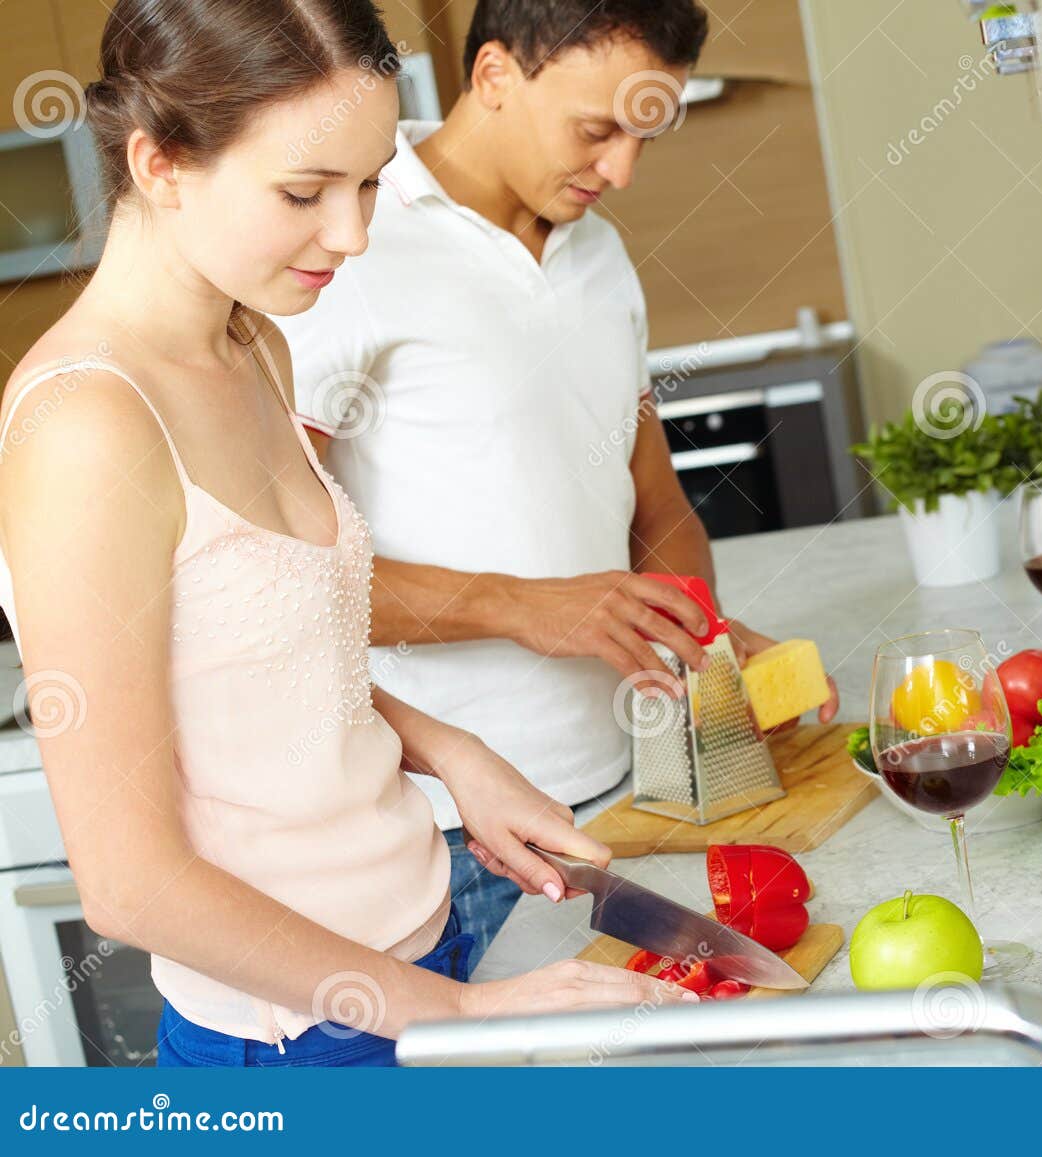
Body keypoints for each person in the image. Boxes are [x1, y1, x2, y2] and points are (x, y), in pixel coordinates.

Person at [0, 0, 692, 1069]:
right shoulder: (85, 425)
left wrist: (455, 752)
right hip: (298, 1036)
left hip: (424, 948)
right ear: (160, 162)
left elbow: (264, 659)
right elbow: (129, 880)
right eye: (303, 191)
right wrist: (449, 1015)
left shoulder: (256, 345)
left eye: (369, 181)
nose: (354, 234)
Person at [277, 0, 838, 972]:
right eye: (597, 130)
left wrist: (694, 633)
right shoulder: (348, 250)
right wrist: (520, 606)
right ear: (494, 76)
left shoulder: (600, 252)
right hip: (448, 830)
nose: (619, 170)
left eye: (643, 135)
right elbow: (276, 569)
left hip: (623, 799)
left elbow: (653, 498)